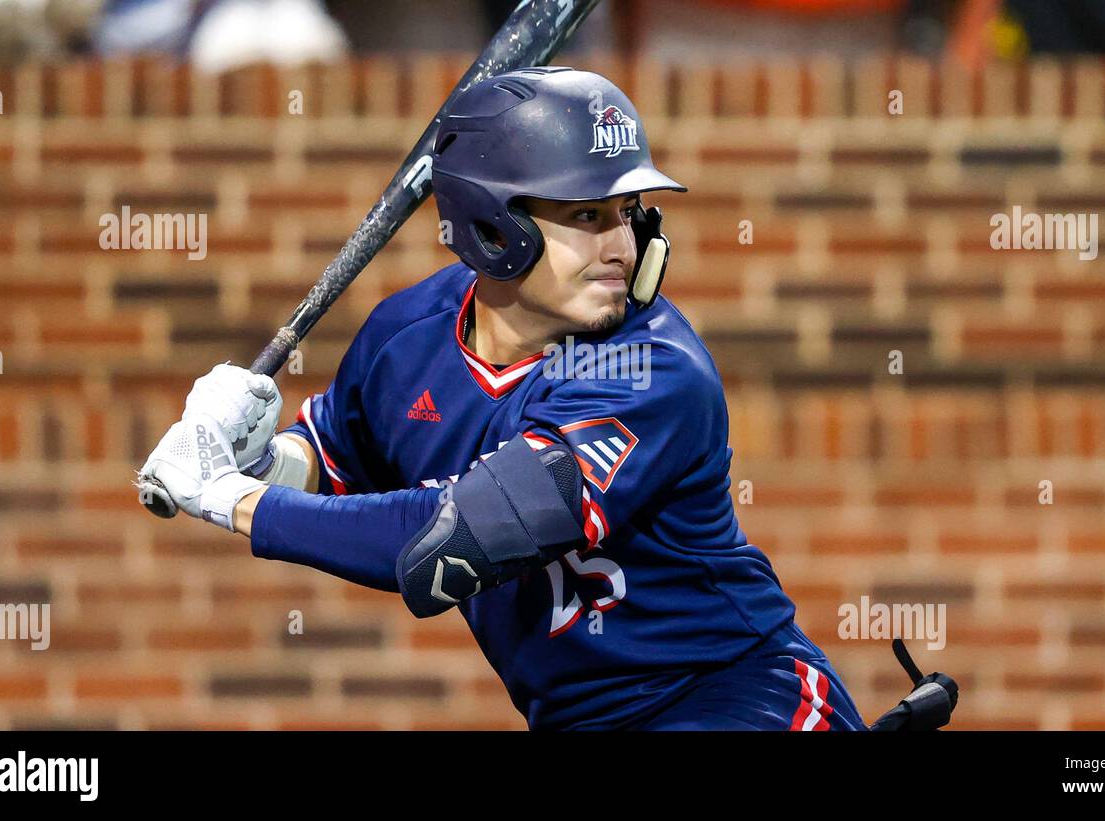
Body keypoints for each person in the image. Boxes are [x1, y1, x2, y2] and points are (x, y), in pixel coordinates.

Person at [138, 66, 869, 731]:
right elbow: (332, 463)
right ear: (494, 229)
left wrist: (232, 500)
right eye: (587, 216)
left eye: (627, 212)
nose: (621, 244)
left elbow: (458, 540)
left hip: (734, 698)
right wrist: (257, 455)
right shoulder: (408, 337)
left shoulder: (656, 371)